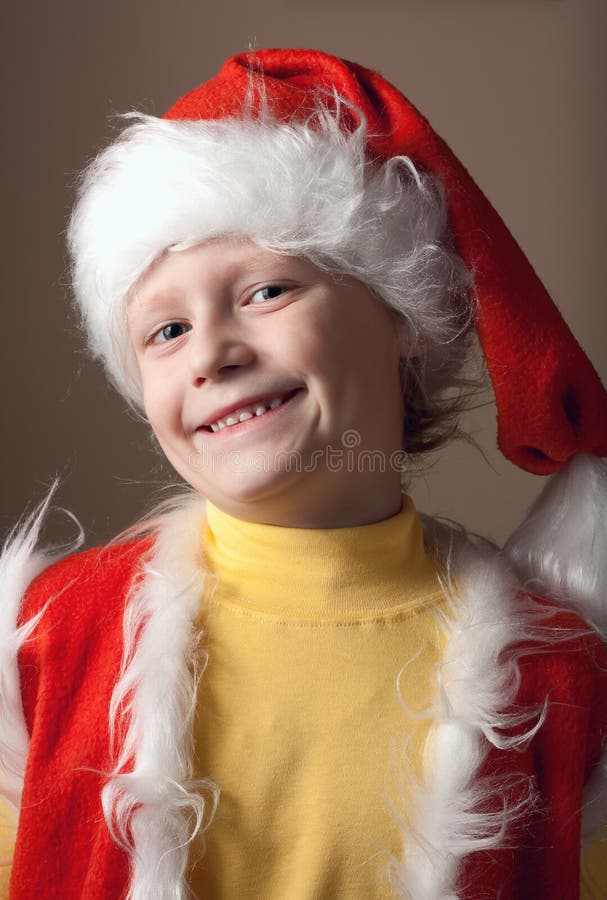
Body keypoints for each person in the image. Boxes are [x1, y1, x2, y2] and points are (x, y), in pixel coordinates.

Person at [1, 48, 606, 899]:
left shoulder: (559, 678)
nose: (211, 351)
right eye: (165, 332)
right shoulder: (46, 643)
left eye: (267, 291)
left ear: (404, 316)